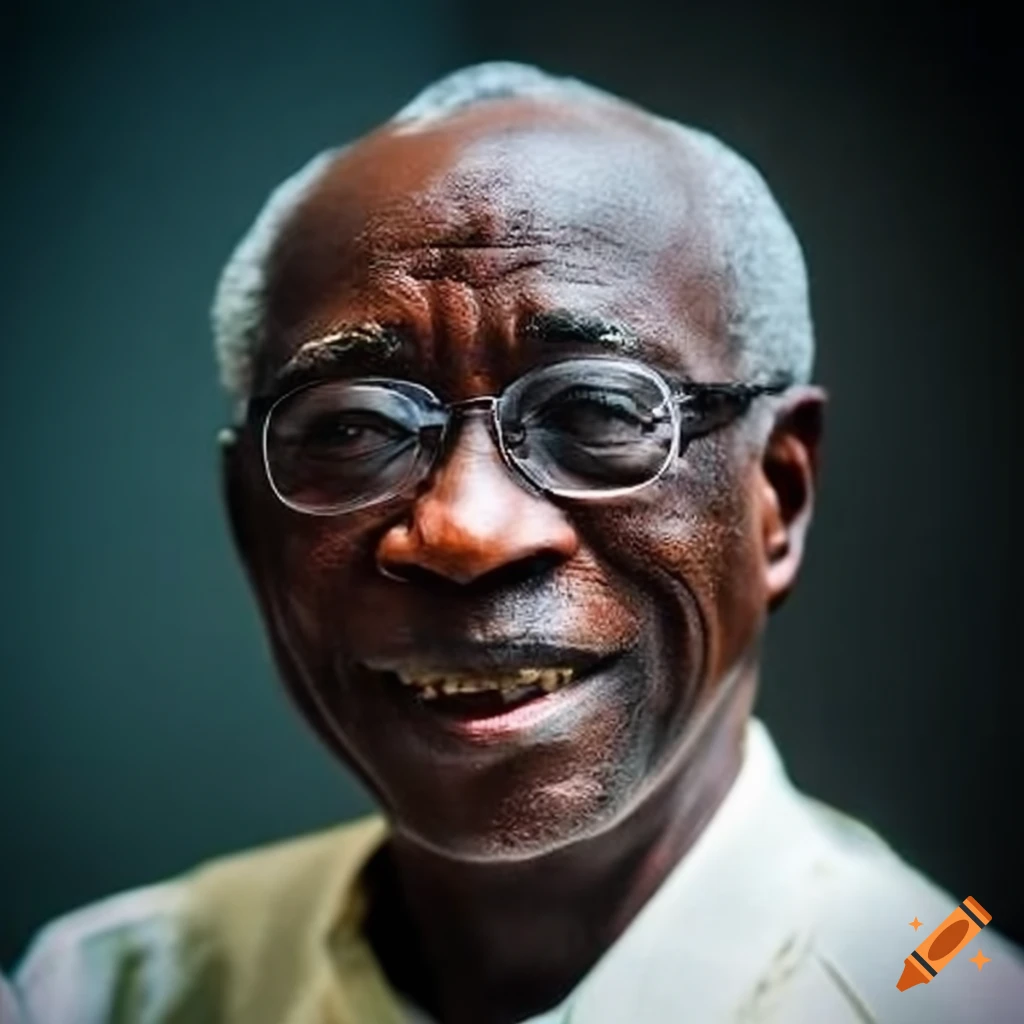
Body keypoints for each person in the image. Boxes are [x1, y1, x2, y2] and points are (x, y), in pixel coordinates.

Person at [12, 62, 1023, 1023]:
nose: (463, 531)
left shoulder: (951, 996)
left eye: (593, 408)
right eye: (355, 428)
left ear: (777, 497)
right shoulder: (104, 992)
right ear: (249, 524)